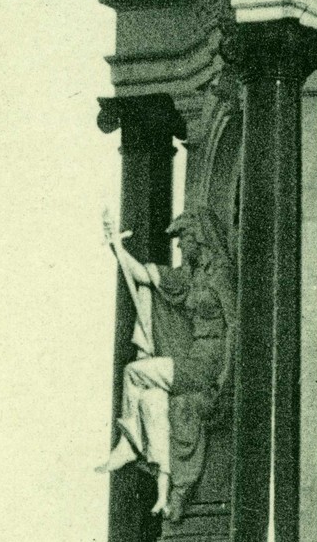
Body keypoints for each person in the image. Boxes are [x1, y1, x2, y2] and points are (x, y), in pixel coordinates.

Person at [98, 208, 236, 521]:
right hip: (193, 357)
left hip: (208, 362)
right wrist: (116, 246)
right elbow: (144, 275)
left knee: (134, 373)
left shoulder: (220, 273)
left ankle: (128, 443)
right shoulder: (192, 276)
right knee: (151, 399)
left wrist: (226, 375)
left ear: (198, 237)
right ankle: (165, 486)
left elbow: (235, 324)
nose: (178, 246)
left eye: (182, 238)